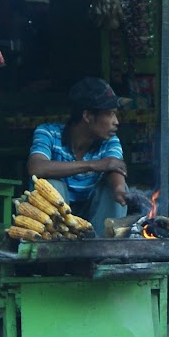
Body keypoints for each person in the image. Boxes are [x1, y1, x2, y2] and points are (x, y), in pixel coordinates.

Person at [28, 77, 129, 234]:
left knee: (112, 190)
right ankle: (56, 247)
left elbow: (115, 169)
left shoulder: (110, 141)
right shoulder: (48, 133)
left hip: (93, 217)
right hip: (54, 224)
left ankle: (103, 252)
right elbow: (36, 167)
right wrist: (92, 165)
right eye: (109, 114)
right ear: (87, 116)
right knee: (53, 184)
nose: (116, 122)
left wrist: (119, 190)